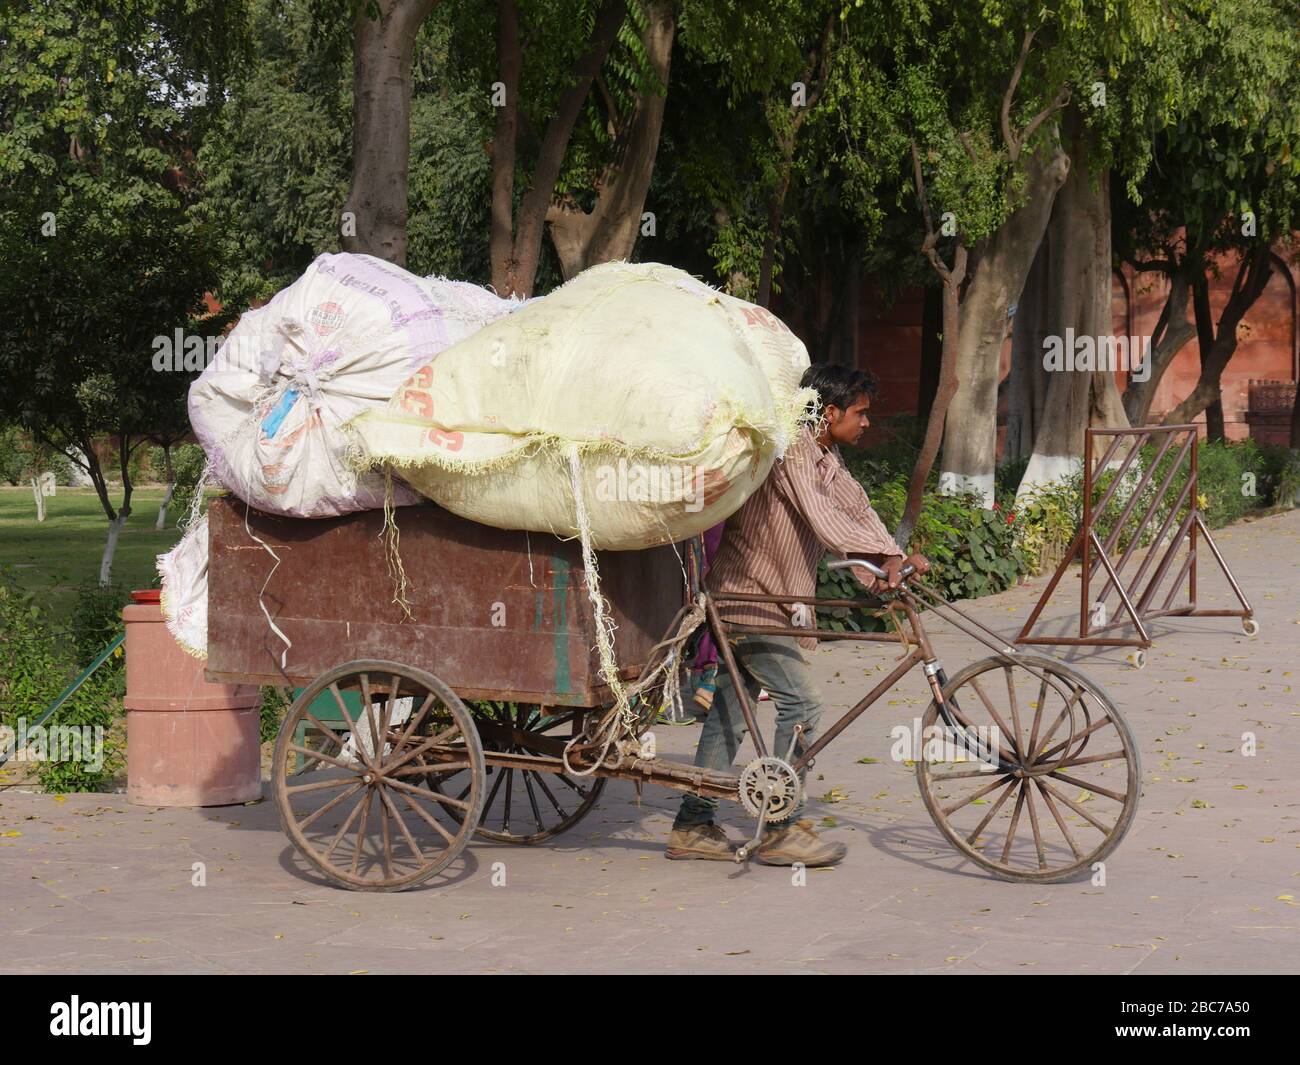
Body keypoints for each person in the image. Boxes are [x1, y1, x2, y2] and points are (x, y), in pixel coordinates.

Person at [665, 363, 930, 867]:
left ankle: (691, 825)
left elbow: (855, 509)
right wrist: (886, 560)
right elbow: (823, 517)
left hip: (772, 601)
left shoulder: (825, 456)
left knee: (728, 713)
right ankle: (781, 828)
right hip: (750, 601)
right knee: (803, 706)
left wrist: (888, 560)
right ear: (829, 413)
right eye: (860, 413)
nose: (866, 423)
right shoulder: (791, 453)